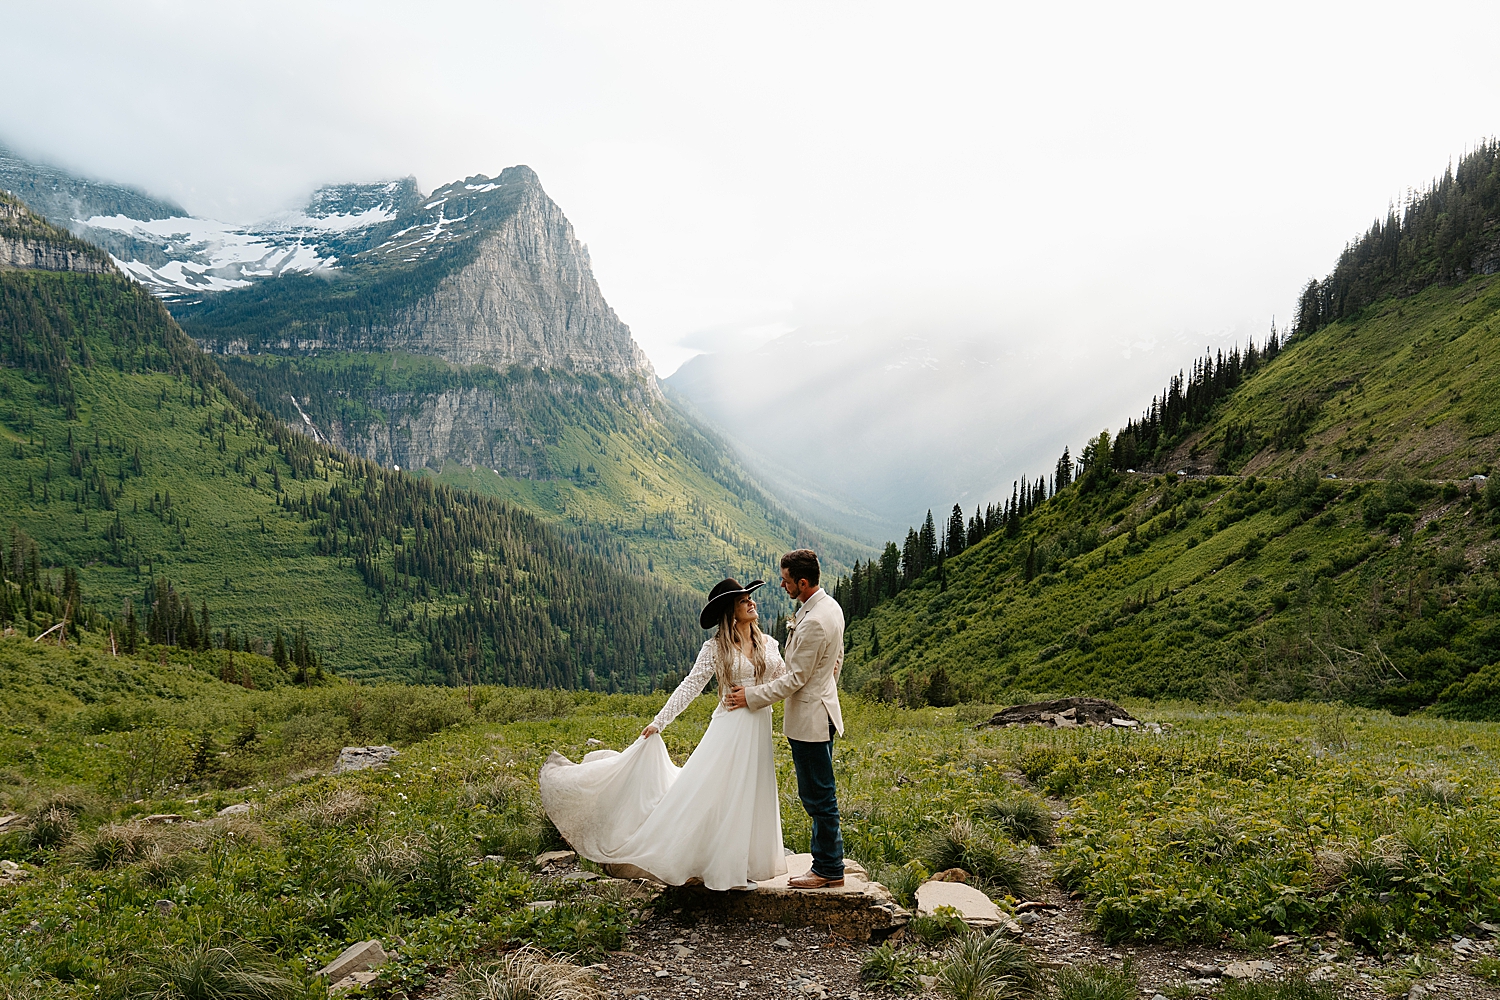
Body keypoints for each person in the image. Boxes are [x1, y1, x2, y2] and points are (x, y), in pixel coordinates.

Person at [537, 578, 788, 890]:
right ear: (731, 612)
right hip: (730, 726)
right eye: (743, 601)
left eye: (750, 598)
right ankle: (719, 862)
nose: (752, 603)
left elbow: (785, 682)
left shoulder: (771, 645)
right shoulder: (715, 648)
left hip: (759, 724)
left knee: (753, 787)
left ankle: (748, 860)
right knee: (722, 789)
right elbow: (691, 685)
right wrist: (660, 721)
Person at [725, 548, 846, 888]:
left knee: (818, 795)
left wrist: (751, 696)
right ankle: (827, 864)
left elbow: (795, 679)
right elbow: (836, 659)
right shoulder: (829, 607)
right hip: (822, 707)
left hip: (810, 719)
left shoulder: (815, 623)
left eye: (786, 580)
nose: (782, 585)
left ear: (803, 582)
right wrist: (826, 687)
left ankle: (827, 868)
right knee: (819, 791)